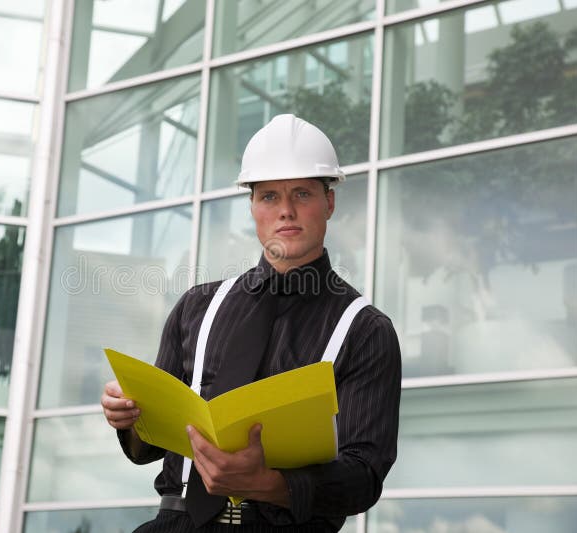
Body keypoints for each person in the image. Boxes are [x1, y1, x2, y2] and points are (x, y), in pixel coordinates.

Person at [101, 114, 401, 532]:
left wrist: (269, 484)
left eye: (302, 193)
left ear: (329, 203)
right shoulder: (196, 307)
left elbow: (364, 476)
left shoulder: (365, 331)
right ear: (252, 207)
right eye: (269, 197)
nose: (286, 211)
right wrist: (129, 417)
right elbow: (145, 449)